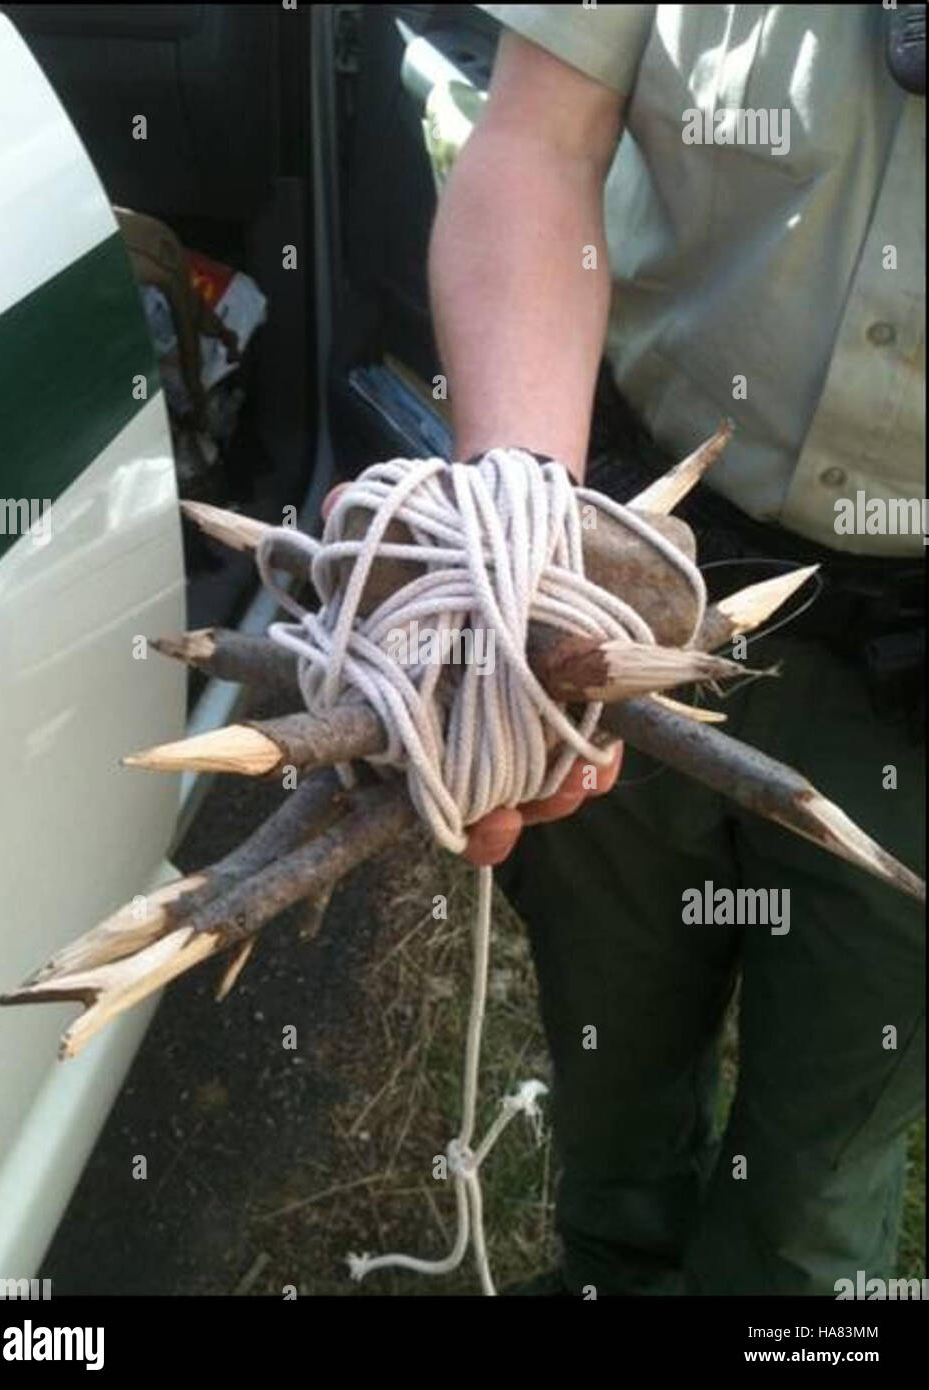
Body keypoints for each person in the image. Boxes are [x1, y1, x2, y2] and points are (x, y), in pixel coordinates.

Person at [425, 4, 925, 1294]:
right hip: (626, 586)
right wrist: (519, 561)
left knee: (823, 1156)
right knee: (613, 1044)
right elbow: (540, 141)